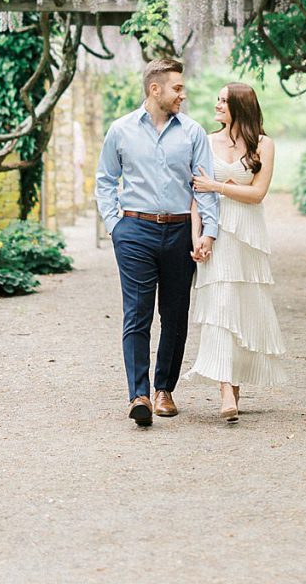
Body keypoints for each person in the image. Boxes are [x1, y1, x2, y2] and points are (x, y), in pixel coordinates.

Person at [95, 57, 219, 427]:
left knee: (176, 314)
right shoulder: (121, 130)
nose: (183, 94)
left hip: (181, 231)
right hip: (135, 230)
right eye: (177, 88)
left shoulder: (193, 132)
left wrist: (208, 232)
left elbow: (204, 187)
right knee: (137, 314)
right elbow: (105, 180)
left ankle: (165, 388)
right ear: (155, 89)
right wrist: (114, 224)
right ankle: (140, 394)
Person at [183, 82, 286, 422]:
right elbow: (197, 196)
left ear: (240, 107)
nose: (217, 105)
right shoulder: (206, 142)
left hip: (248, 233)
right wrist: (197, 237)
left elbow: (257, 194)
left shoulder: (264, 145)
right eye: (217, 99)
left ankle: (235, 384)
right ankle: (225, 388)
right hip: (217, 231)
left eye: (224, 101)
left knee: (242, 307)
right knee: (221, 304)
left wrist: (216, 185)